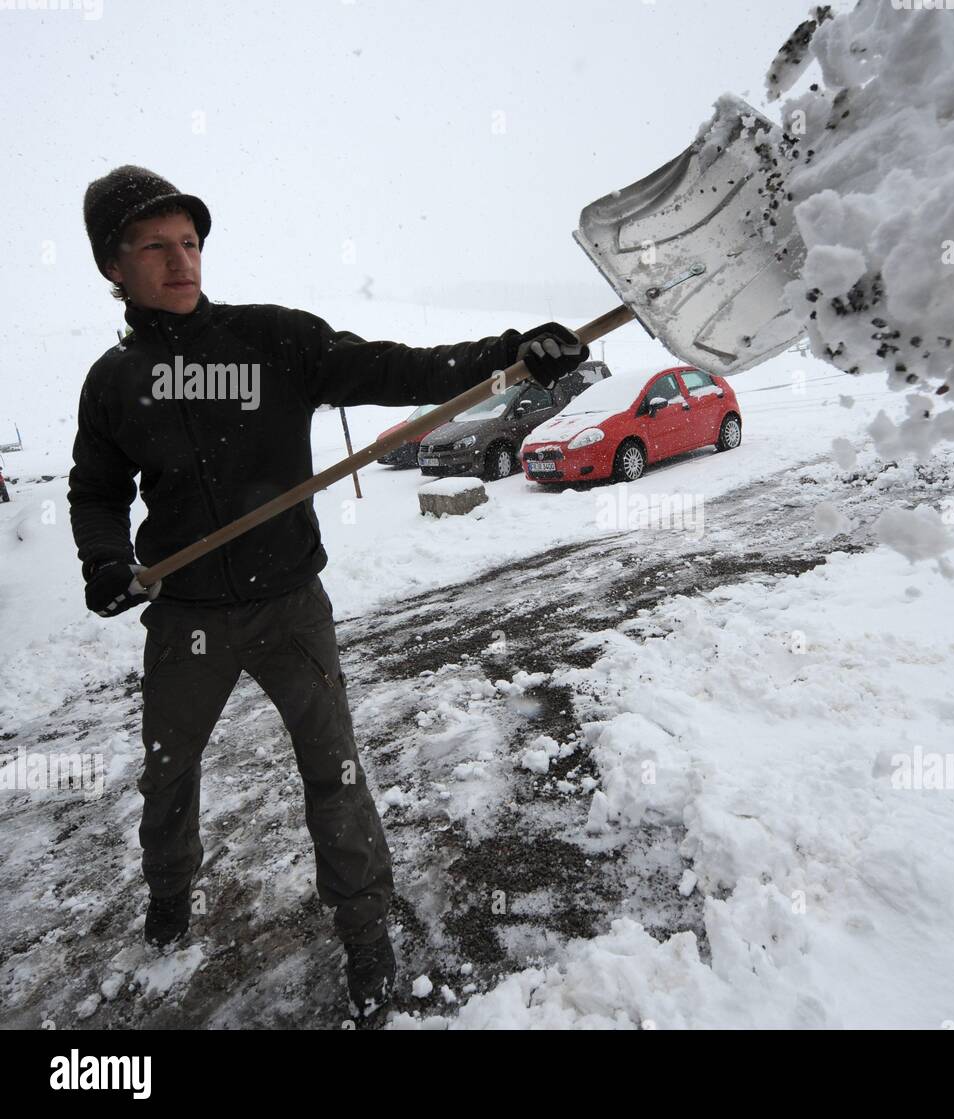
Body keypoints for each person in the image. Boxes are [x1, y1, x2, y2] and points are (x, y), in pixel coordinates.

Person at [69, 165, 588, 1017]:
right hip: (187, 617)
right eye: (155, 247)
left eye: (190, 243)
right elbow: (95, 488)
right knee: (168, 776)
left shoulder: (274, 340)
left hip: (288, 605)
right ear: (112, 268)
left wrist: (509, 356)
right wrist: (102, 559)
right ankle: (169, 903)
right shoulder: (113, 382)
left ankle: (367, 940)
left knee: (335, 774)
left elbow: (403, 368)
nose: (181, 262)